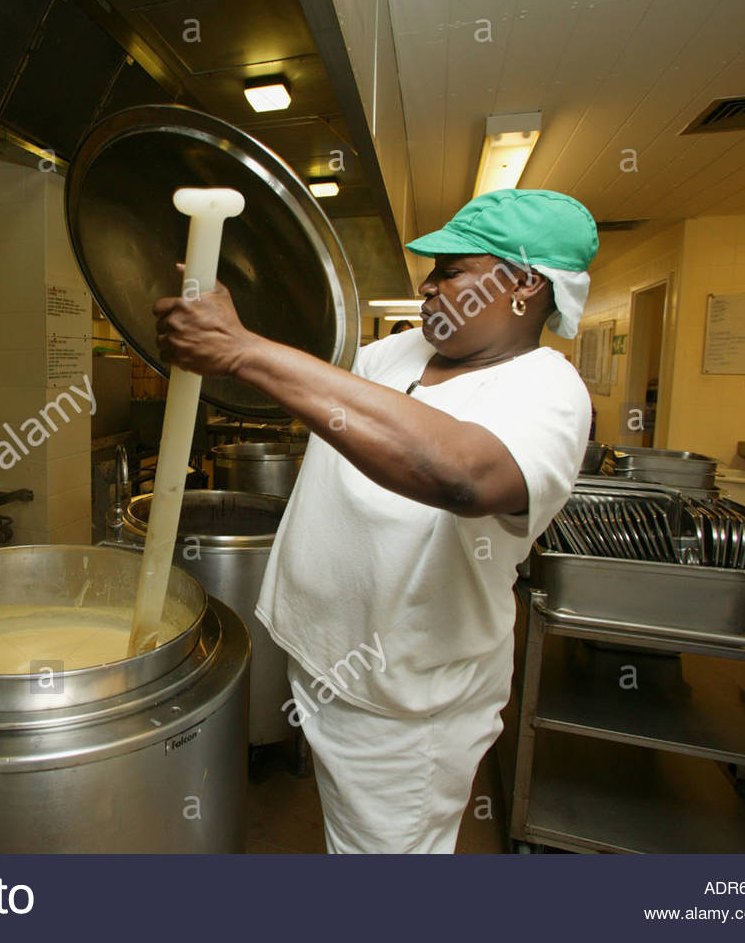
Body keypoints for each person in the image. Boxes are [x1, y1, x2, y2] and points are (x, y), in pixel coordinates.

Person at [152, 188, 596, 853]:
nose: (428, 285)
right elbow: (315, 396)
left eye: (452, 271)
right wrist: (227, 335)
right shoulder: (399, 353)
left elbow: (462, 473)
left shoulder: (547, 391)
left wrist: (242, 350)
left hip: (407, 707)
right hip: (325, 661)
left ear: (525, 283)